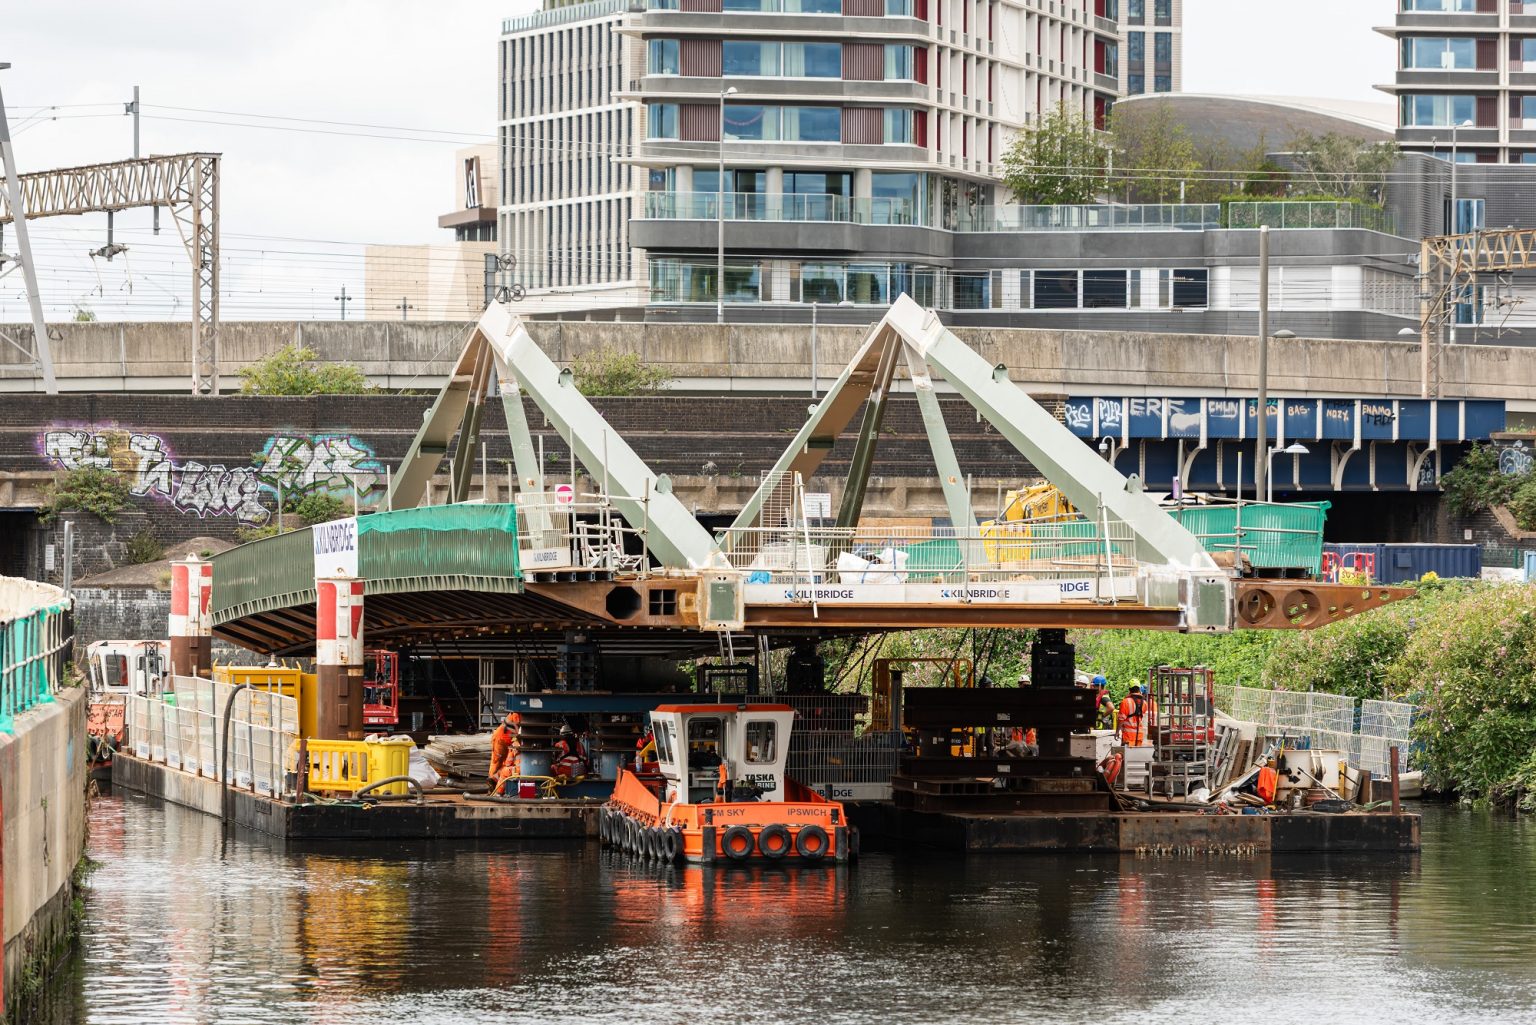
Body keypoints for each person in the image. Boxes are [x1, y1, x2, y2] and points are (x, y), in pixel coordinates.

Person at [489, 712, 521, 789]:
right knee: (496, 762)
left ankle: (496, 781)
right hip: (500, 740)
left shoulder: (518, 713)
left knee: (504, 763)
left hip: (505, 740)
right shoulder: (517, 714)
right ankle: (491, 783)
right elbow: (518, 730)